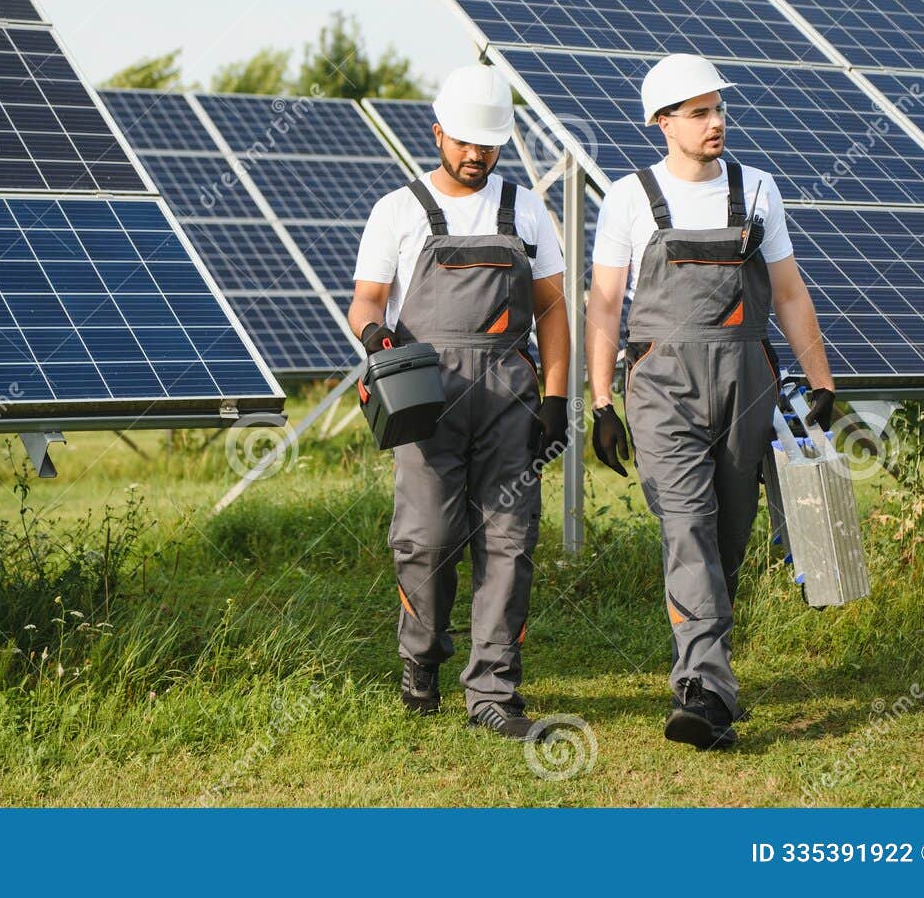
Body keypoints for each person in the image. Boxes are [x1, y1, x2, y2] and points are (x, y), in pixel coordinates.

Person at [585, 53, 835, 751]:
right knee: (689, 526)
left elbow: (786, 290)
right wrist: (601, 400)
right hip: (662, 384)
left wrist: (822, 381)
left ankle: (704, 673)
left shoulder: (757, 189)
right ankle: (703, 692)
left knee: (727, 538)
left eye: (718, 108)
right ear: (662, 123)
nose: (715, 121)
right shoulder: (629, 196)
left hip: (746, 379)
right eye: (698, 112)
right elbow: (604, 303)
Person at [350, 64, 571, 740]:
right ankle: (421, 657)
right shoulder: (398, 209)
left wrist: (558, 399)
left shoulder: (526, 209)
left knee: (509, 540)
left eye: (490, 143)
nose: (478, 154)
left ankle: (494, 690)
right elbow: (365, 297)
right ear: (438, 131)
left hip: (510, 395)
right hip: (425, 393)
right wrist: (375, 332)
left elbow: (553, 306)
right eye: (466, 141)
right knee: (429, 540)